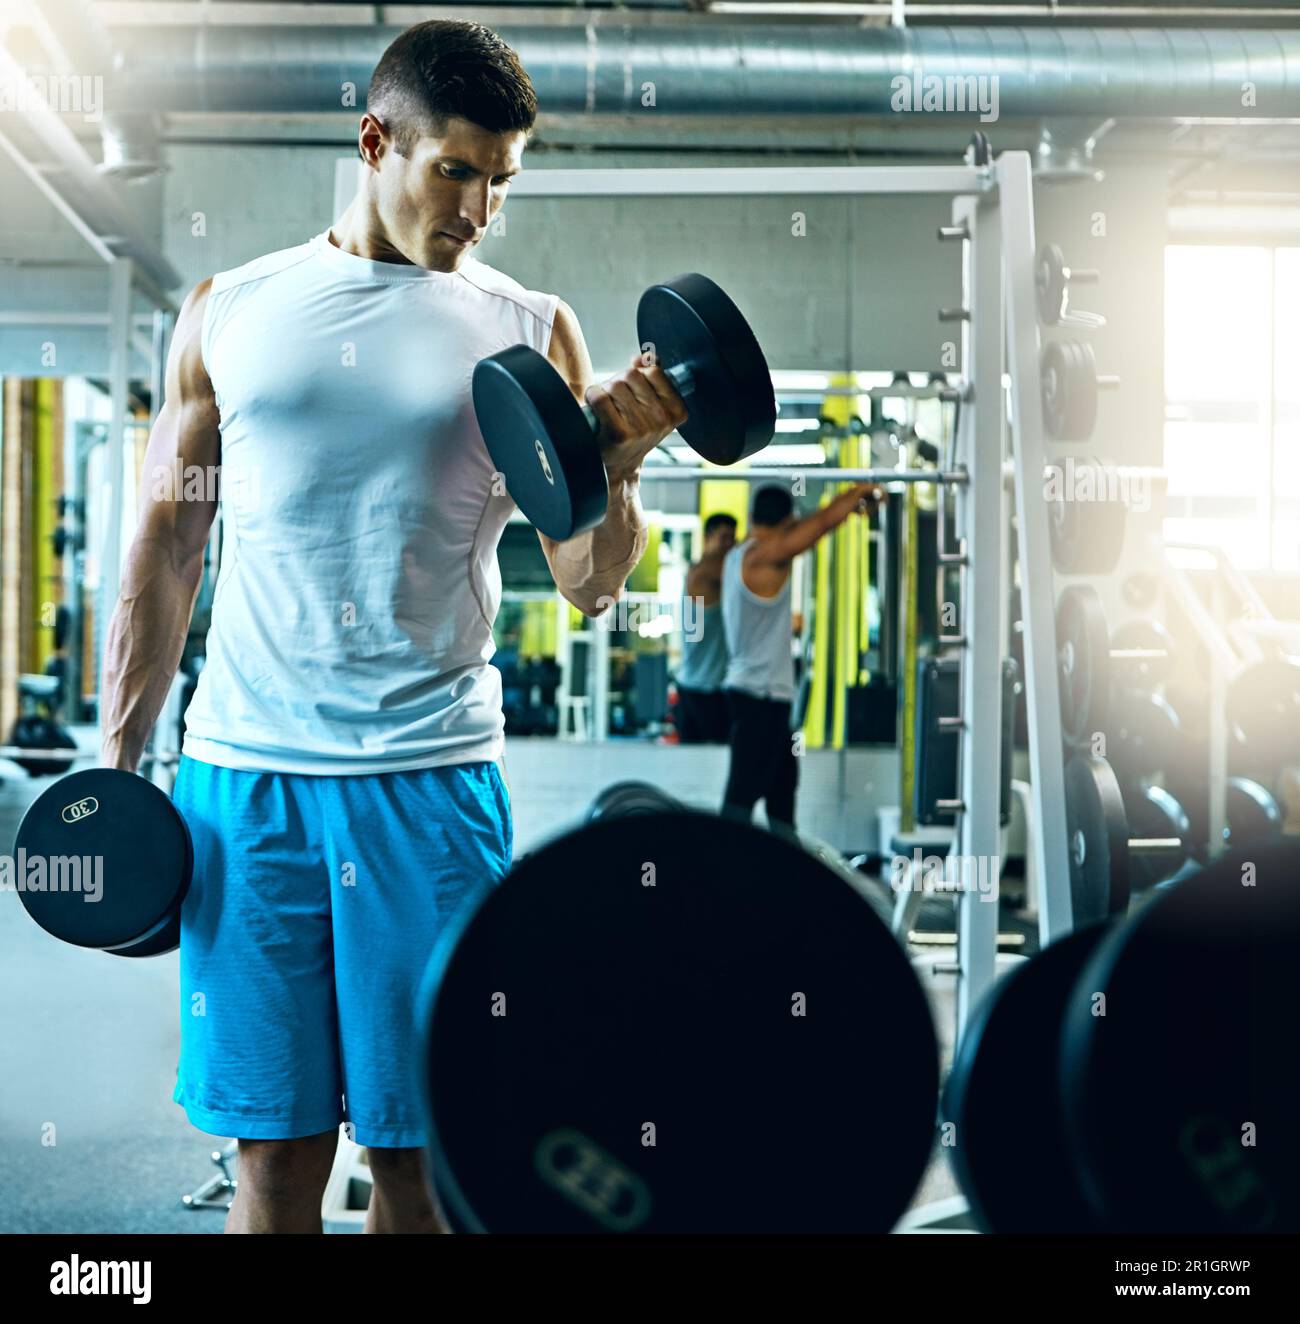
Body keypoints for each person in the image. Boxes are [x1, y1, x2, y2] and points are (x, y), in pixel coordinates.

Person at [97, 19, 687, 1234]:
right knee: (273, 1157)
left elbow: (586, 583)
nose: (478, 211)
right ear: (376, 142)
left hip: (429, 784)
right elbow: (165, 547)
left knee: (422, 1153)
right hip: (245, 781)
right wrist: (116, 764)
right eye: (455, 171)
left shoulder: (528, 328)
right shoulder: (229, 310)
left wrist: (619, 467)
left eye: (501, 181)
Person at [720, 482, 882, 834]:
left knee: (781, 801)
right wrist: (860, 489)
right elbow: (820, 524)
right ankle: (718, 866)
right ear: (786, 522)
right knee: (739, 804)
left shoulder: (739, 554)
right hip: (758, 698)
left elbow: (807, 526)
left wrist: (852, 508)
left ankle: (786, 867)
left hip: (767, 699)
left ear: (751, 516)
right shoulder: (764, 557)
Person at [674, 512, 736, 743]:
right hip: (700, 691)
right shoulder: (704, 572)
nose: (730, 545)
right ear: (707, 538)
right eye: (724, 538)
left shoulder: (722, 571)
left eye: (733, 539)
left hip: (708, 687)